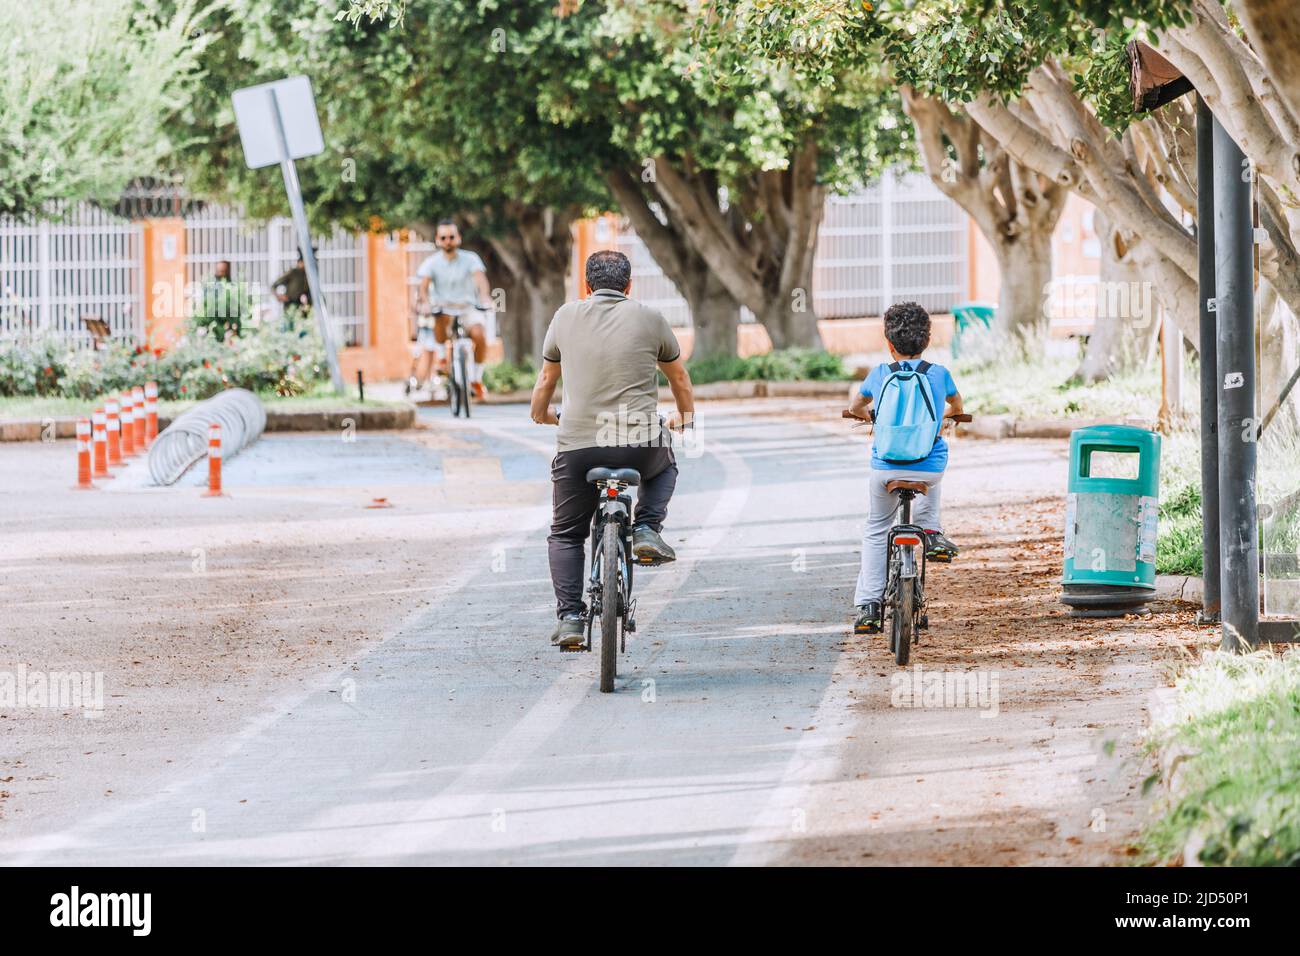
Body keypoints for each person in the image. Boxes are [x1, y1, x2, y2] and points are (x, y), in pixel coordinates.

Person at [531, 249, 695, 648]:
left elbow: (545, 381)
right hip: (640, 443)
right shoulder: (651, 318)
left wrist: (543, 414)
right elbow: (679, 379)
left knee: (566, 534)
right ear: (628, 286)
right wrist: (685, 417)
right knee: (666, 464)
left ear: (587, 285)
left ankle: (570, 618)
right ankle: (645, 527)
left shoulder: (564, 317)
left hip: (578, 446)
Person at [847, 301, 964, 636]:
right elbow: (957, 406)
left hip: (885, 469)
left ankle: (868, 606)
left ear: (889, 343)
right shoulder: (939, 374)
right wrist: (946, 418)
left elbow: (856, 406)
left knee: (876, 528)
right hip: (927, 469)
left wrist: (868, 416)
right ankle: (930, 530)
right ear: (927, 340)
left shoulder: (879, 374)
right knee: (933, 458)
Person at [414, 219, 494, 400]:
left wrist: (485, 297)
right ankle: (442, 358)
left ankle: (476, 378)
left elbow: (481, 280)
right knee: (438, 316)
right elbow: (423, 287)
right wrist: (425, 303)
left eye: (451, 237)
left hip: (468, 308)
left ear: (458, 238)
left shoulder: (471, 258)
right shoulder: (431, 262)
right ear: (437, 240)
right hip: (444, 309)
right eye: (443, 237)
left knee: (479, 335)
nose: (447, 240)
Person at [195, 259, 252, 339]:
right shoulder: (210, 288)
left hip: (229, 329)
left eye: (223, 271)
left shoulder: (233, 288)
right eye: (219, 270)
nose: (220, 273)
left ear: (227, 271)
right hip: (213, 328)